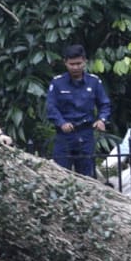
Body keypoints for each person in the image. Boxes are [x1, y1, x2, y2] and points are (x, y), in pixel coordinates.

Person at [47, 44, 111, 177]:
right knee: (61, 175)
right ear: (65, 63)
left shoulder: (94, 81)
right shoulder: (57, 83)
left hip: (86, 133)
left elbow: (104, 104)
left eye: (78, 63)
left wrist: (101, 119)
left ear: (84, 61)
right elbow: (51, 107)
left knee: (87, 176)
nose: (75, 67)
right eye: (72, 64)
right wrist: (61, 123)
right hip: (65, 135)